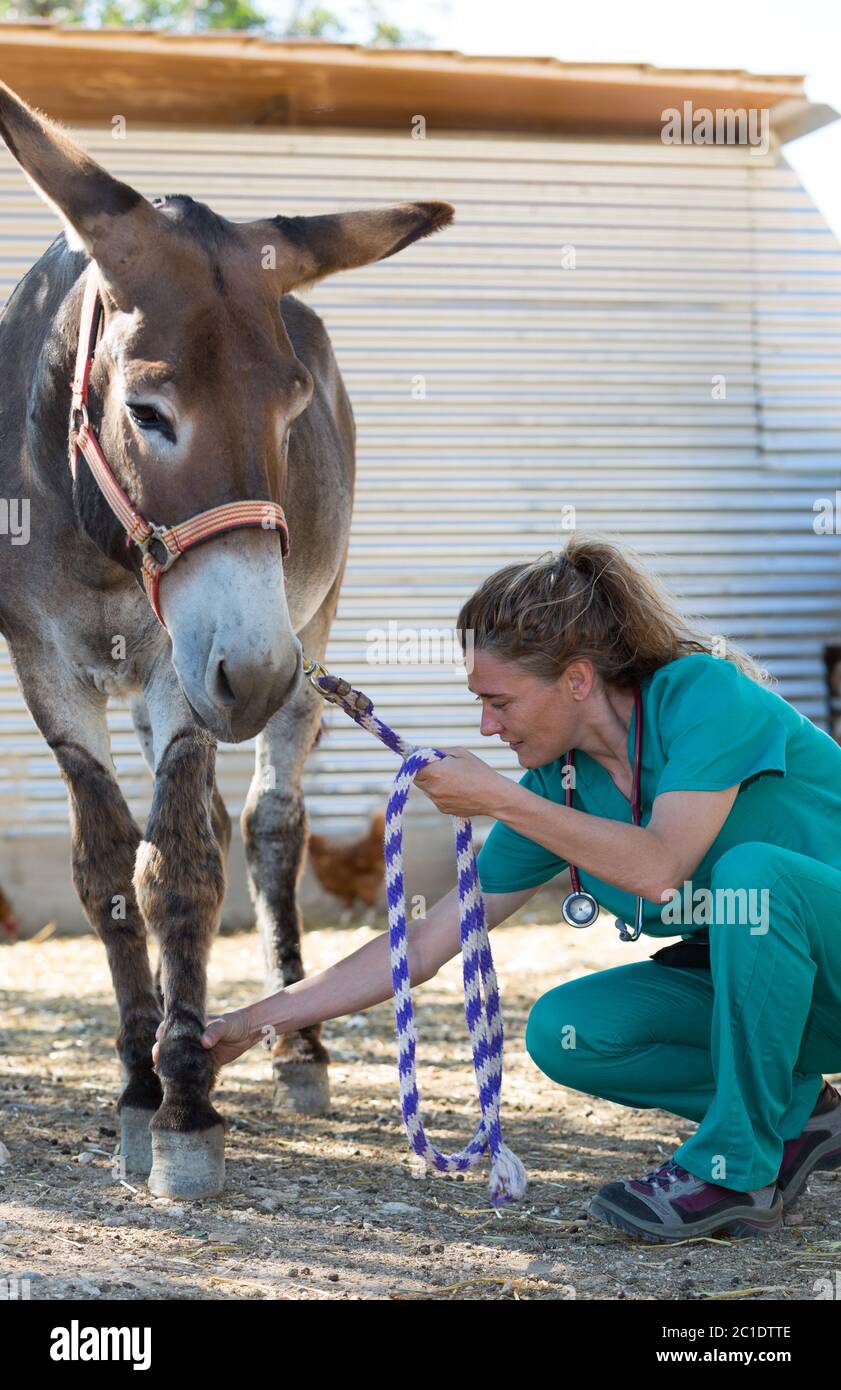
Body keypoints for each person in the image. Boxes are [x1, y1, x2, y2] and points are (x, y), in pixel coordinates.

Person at [154, 534, 841, 1243]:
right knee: (568, 1034)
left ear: (576, 680)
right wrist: (253, 1022)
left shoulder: (705, 697)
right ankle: (799, 1113)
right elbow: (419, 945)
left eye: (498, 701)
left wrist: (497, 800)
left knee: (753, 877)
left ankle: (733, 1171)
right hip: (799, 1001)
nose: (486, 725)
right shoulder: (562, 788)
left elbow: (657, 866)